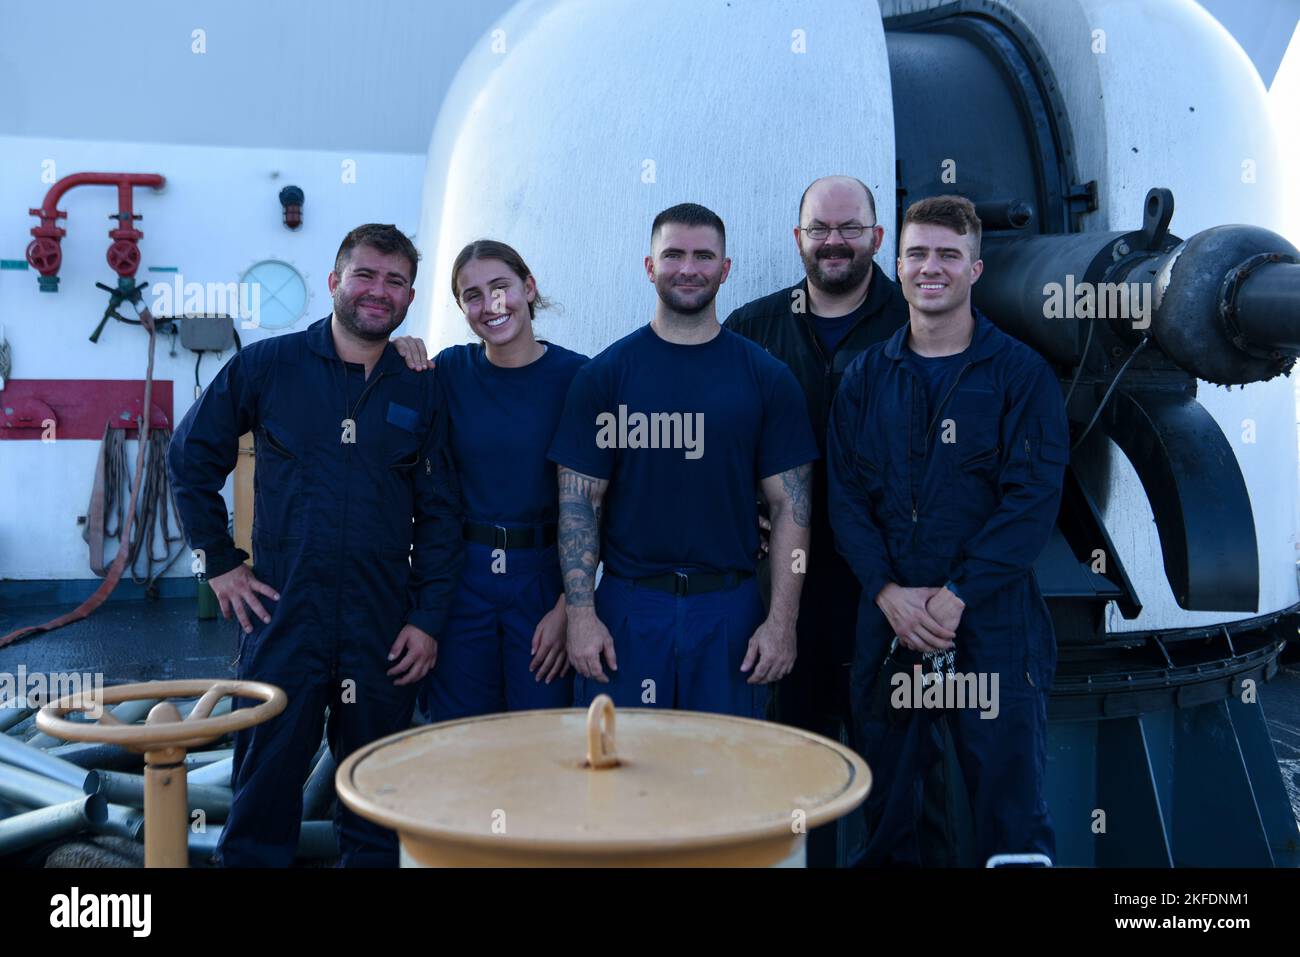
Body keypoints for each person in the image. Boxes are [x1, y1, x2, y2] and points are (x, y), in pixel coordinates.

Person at [168, 224, 464, 867]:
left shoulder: (420, 384)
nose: (377, 292)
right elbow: (190, 457)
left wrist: (426, 619)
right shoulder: (267, 367)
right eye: (364, 275)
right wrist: (218, 562)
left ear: (410, 297)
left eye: (395, 281)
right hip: (283, 616)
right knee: (263, 794)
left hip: (381, 624)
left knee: (376, 798)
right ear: (334, 282)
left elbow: (442, 516)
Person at [827, 195, 1068, 866]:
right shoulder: (865, 379)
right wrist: (886, 593)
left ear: (975, 268)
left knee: (1011, 815)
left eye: (948, 255)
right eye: (918, 254)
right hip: (891, 627)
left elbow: (1030, 504)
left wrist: (956, 596)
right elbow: (846, 500)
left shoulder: (1021, 377)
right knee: (891, 817)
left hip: (993, 627)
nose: (931, 267)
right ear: (897, 264)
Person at [548, 203, 819, 717]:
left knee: (725, 782)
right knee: (621, 779)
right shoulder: (606, 376)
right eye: (673, 255)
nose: (688, 268)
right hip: (629, 609)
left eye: (703, 256)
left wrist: (781, 623)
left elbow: (792, 509)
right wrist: (582, 616)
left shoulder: (766, 378)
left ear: (725, 268)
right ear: (650, 267)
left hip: (729, 612)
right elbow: (580, 503)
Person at [392, 241, 587, 721]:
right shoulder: (449, 371)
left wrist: (571, 608)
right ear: (462, 309)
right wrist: (395, 347)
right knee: (463, 732)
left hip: (543, 577)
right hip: (463, 576)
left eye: (501, 287)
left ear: (529, 287)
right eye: (472, 295)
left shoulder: (579, 378)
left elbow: (601, 502)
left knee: (540, 732)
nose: (490, 305)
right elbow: (383, 394)